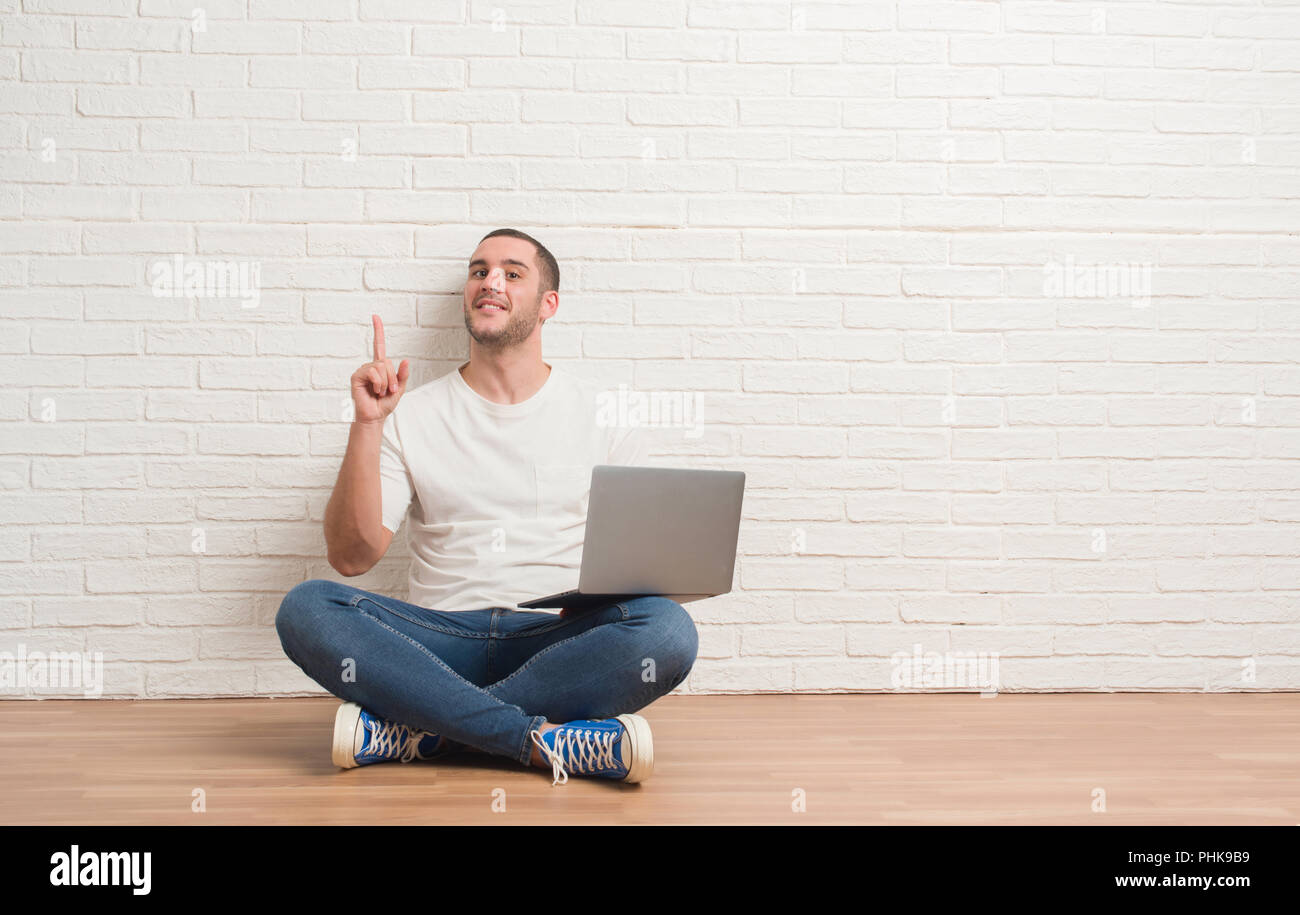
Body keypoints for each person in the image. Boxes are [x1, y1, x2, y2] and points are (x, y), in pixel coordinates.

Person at [274, 228, 699, 786]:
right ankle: (536, 741)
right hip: (436, 643)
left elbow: (644, 564)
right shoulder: (411, 414)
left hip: (554, 643)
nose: (489, 281)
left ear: (549, 304)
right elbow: (352, 557)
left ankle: (421, 732)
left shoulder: (606, 413)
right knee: (307, 607)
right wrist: (368, 423)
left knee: (667, 630)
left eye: (512, 272)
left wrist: (601, 601)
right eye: (479, 271)